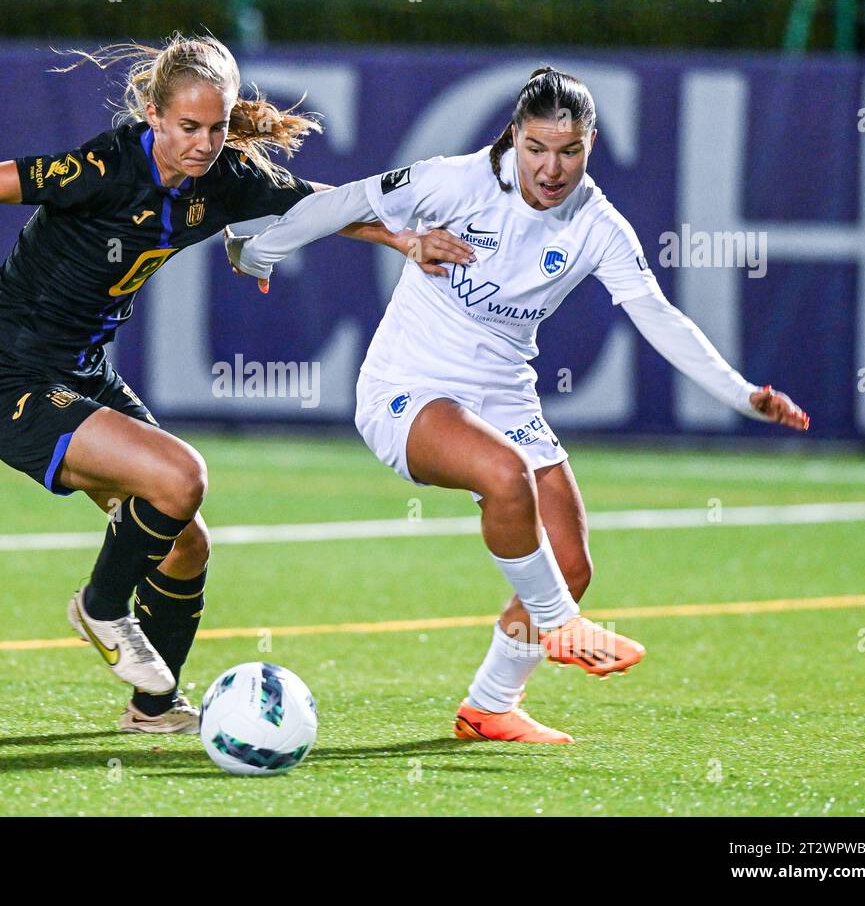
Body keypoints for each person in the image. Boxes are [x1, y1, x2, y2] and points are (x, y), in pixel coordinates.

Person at [0, 33, 472, 734]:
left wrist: (405, 240)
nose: (202, 143)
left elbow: (316, 203)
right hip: (13, 379)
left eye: (217, 127)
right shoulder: (102, 167)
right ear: (155, 115)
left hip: (85, 376)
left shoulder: (221, 176)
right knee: (181, 475)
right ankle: (101, 607)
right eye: (187, 126)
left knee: (188, 544)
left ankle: (153, 709)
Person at [225, 66, 809, 743]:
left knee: (571, 559)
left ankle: (490, 708)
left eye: (570, 150)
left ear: (590, 143)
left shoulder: (598, 224)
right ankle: (559, 624)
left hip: (503, 393)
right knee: (506, 477)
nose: (552, 167)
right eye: (537, 148)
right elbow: (343, 201)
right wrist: (257, 247)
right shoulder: (457, 180)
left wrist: (743, 394)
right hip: (406, 387)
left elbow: (659, 317)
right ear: (513, 137)